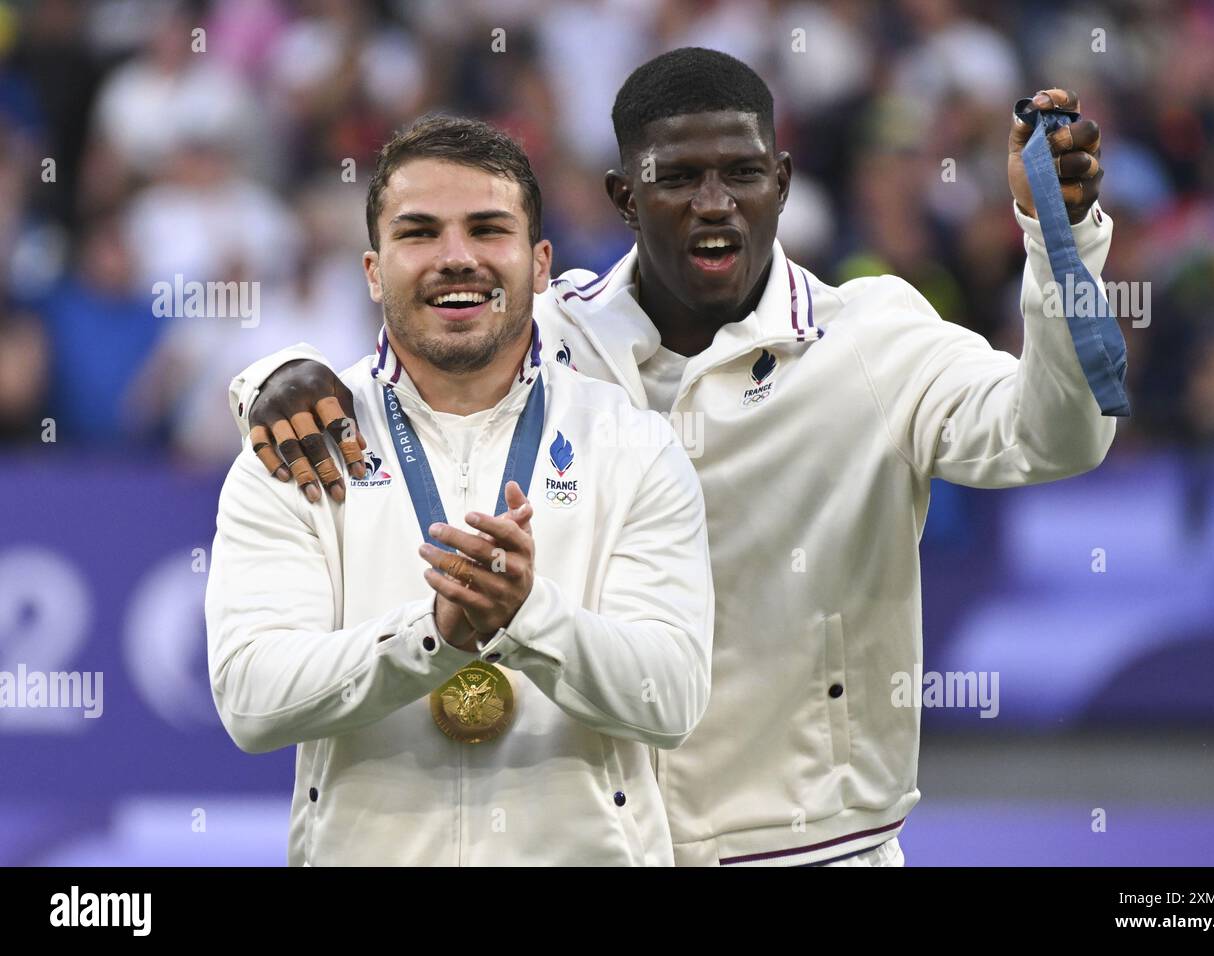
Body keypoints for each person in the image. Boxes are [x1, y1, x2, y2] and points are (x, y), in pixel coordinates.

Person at [226, 48, 1116, 866]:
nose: (715, 202)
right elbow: (423, 347)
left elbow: (1058, 437)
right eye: (678, 177)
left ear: (784, 181)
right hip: (610, 844)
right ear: (623, 197)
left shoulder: (872, 340)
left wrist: (1059, 248)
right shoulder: (559, 328)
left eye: (741, 173)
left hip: (813, 848)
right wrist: (271, 379)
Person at [204, 114, 713, 866]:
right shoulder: (301, 444)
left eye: (487, 229)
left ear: (540, 264)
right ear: (374, 269)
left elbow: (669, 700)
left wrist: (529, 619)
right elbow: (251, 699)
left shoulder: (631, 444)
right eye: (418, 233)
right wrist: (432, 639)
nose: (456, 258)